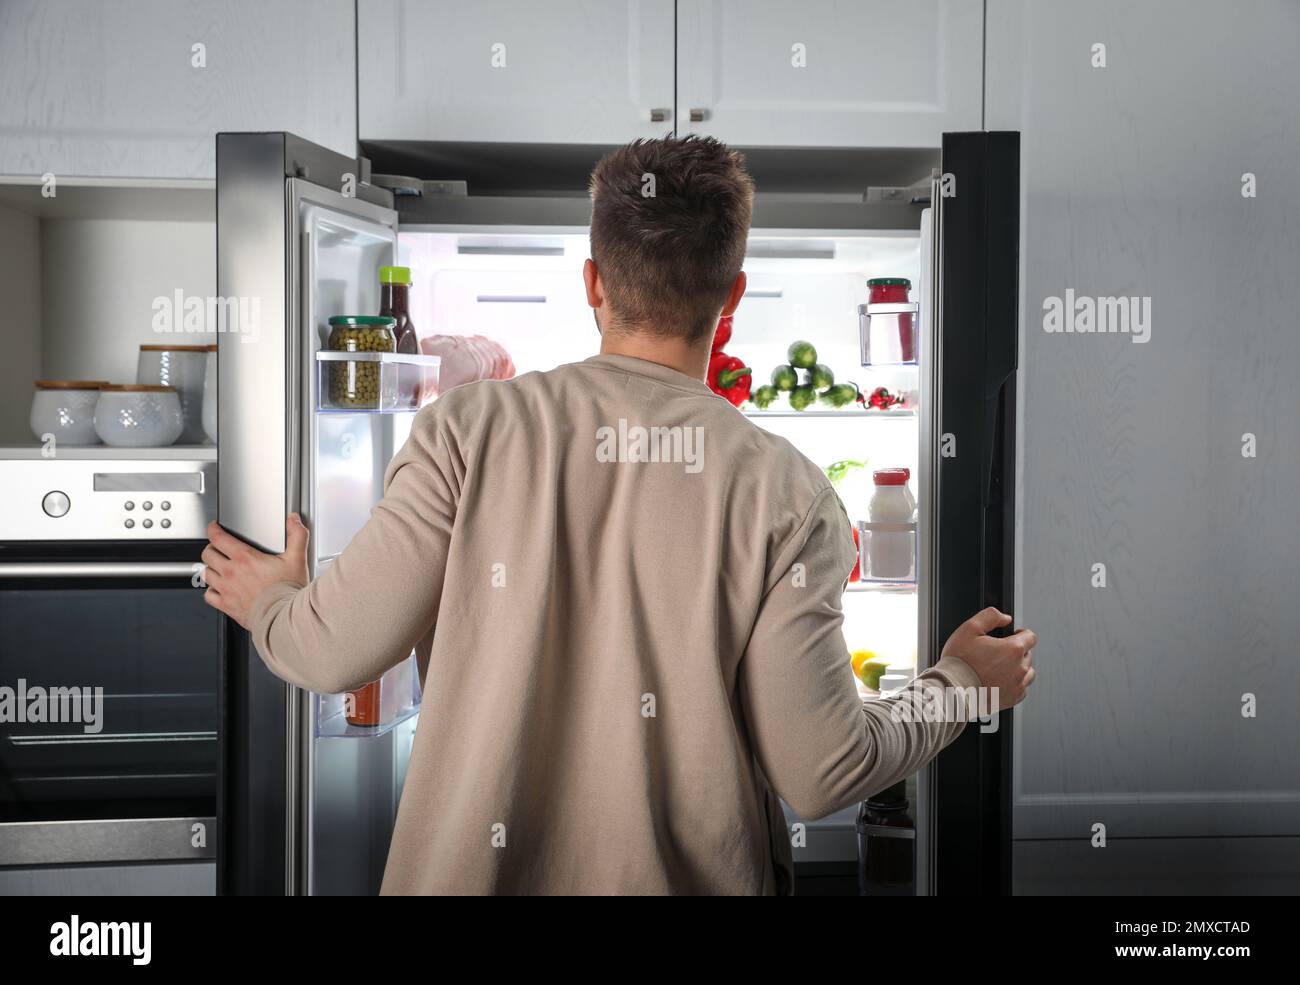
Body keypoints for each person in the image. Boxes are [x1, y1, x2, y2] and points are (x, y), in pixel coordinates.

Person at [201, 135, 1037, 895]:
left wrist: (273, 599)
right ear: (734, 294)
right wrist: (959, 686)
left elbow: (331, 649)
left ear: (594, 282)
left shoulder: (465, 429)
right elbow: (821, 769)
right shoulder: (787, 491)